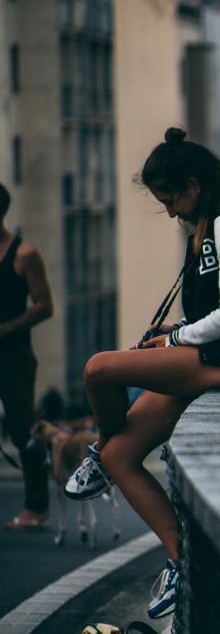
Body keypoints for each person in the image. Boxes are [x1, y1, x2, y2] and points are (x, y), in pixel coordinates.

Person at [63, 128, 220, 620]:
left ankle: (97, 452)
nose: (170, 212)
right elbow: (215, 310)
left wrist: (173, 340)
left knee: (98, 369)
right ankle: (180, 559)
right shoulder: (207, 225)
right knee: (125, 455)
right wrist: (177, 329)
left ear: (193, 185)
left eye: (170, 200)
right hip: (213, 358)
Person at [0, 182, 54, 531]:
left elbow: (45, 306)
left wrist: (6, 328)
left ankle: (36, 507)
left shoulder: (23, 254)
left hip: (14, 355)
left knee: (23, 432)